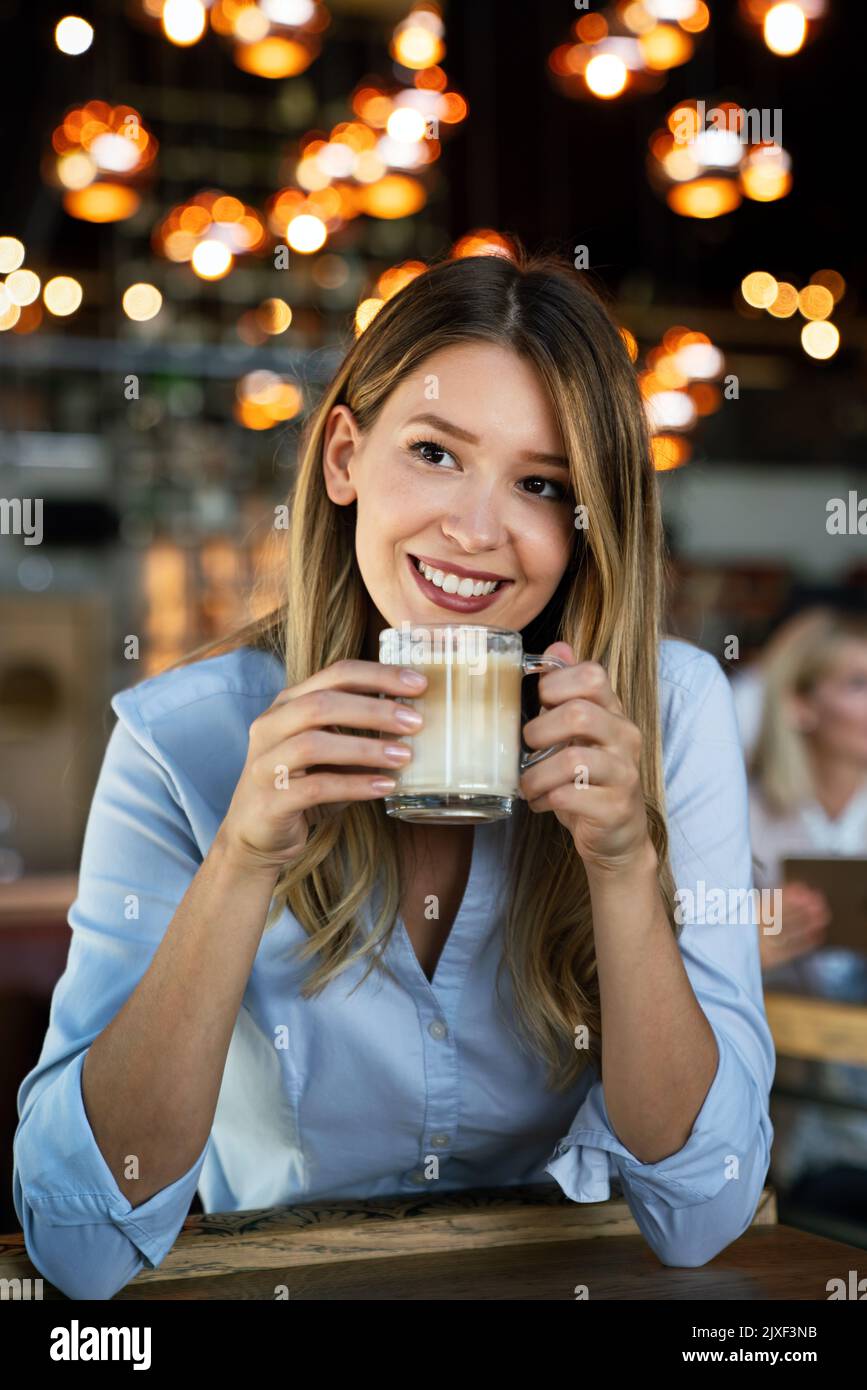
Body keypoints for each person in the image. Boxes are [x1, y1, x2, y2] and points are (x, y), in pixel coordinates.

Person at [13, 249, 774, 1300]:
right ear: (343, 456)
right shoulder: (177, 738)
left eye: (543, 484)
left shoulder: (670, 710)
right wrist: (240, 859)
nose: (474, 528)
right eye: (435, 452)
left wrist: (622, 863)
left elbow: (701, 1214)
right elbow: (79, 1244)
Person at [746, 608, 867, 1221]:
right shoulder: (739, 813)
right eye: (858, 683)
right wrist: (750, 944)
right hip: (778, 1101)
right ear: (800, 705)